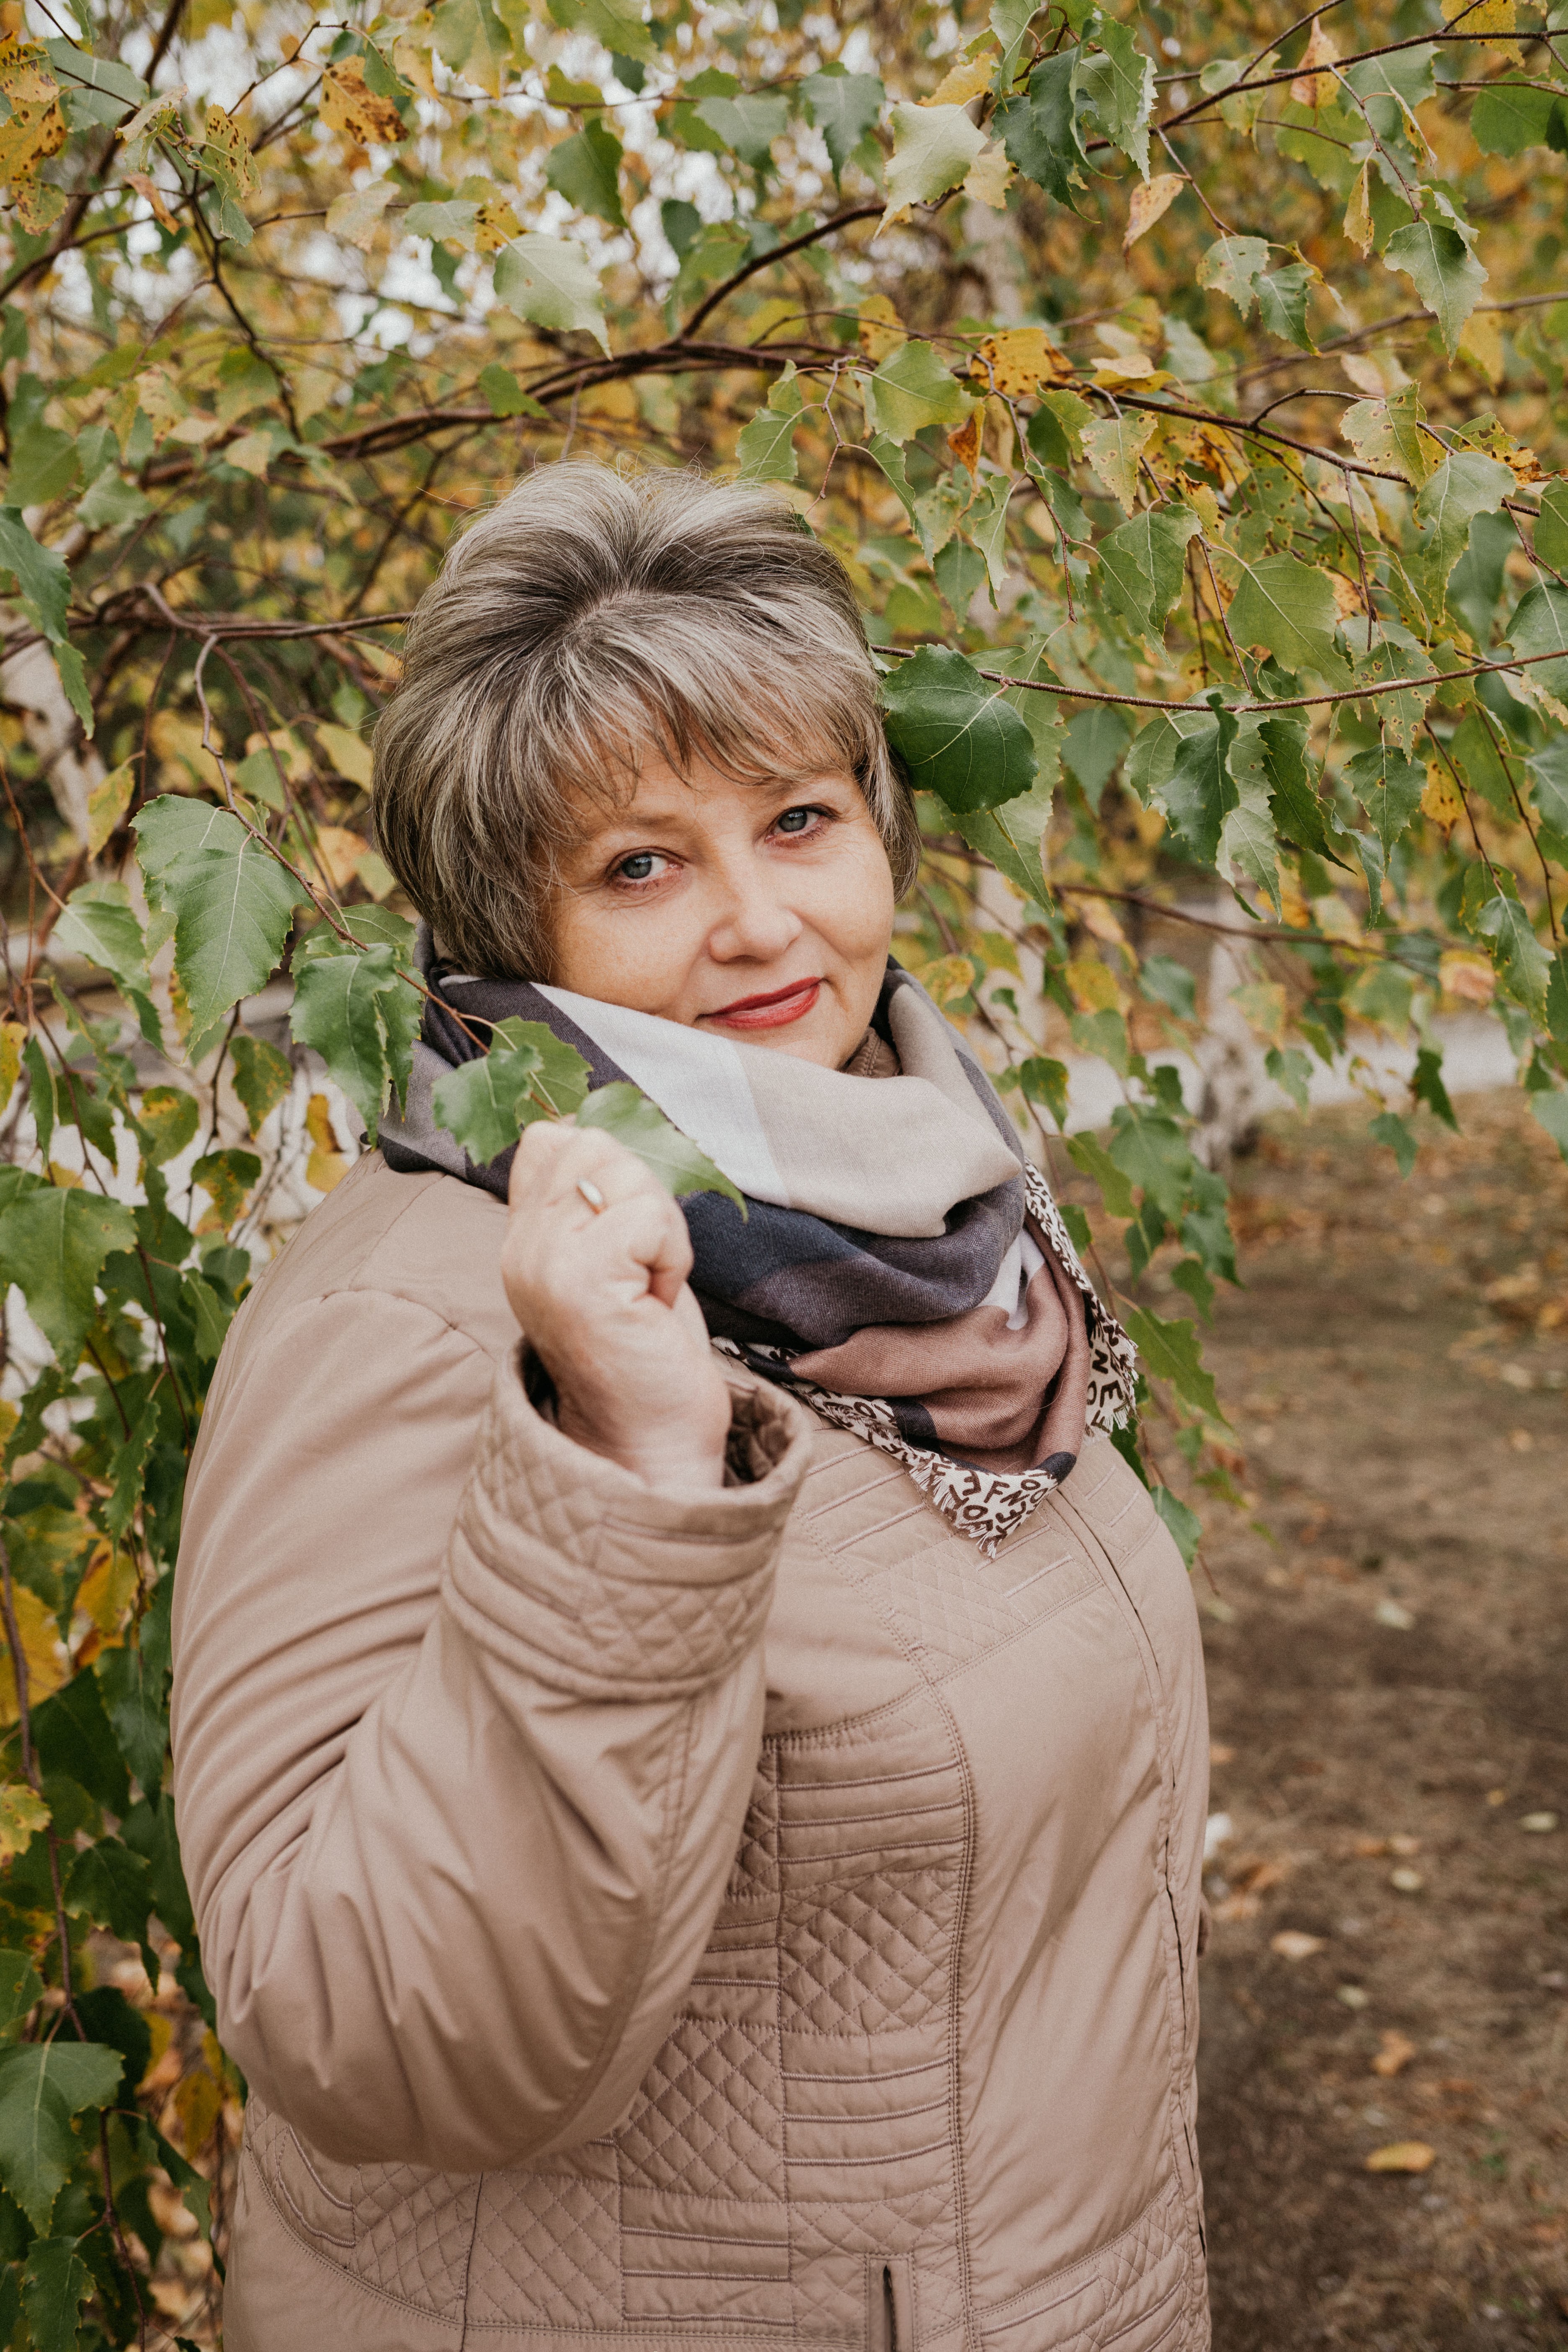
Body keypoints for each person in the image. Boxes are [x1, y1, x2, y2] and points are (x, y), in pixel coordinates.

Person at [171, 462, 1211, 2352]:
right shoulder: (419, 1314)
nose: (757, 924)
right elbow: (363, 2023)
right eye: (640, 864)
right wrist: (635, 1476)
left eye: (799, 819)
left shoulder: (932, 1207)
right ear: (514, 930)